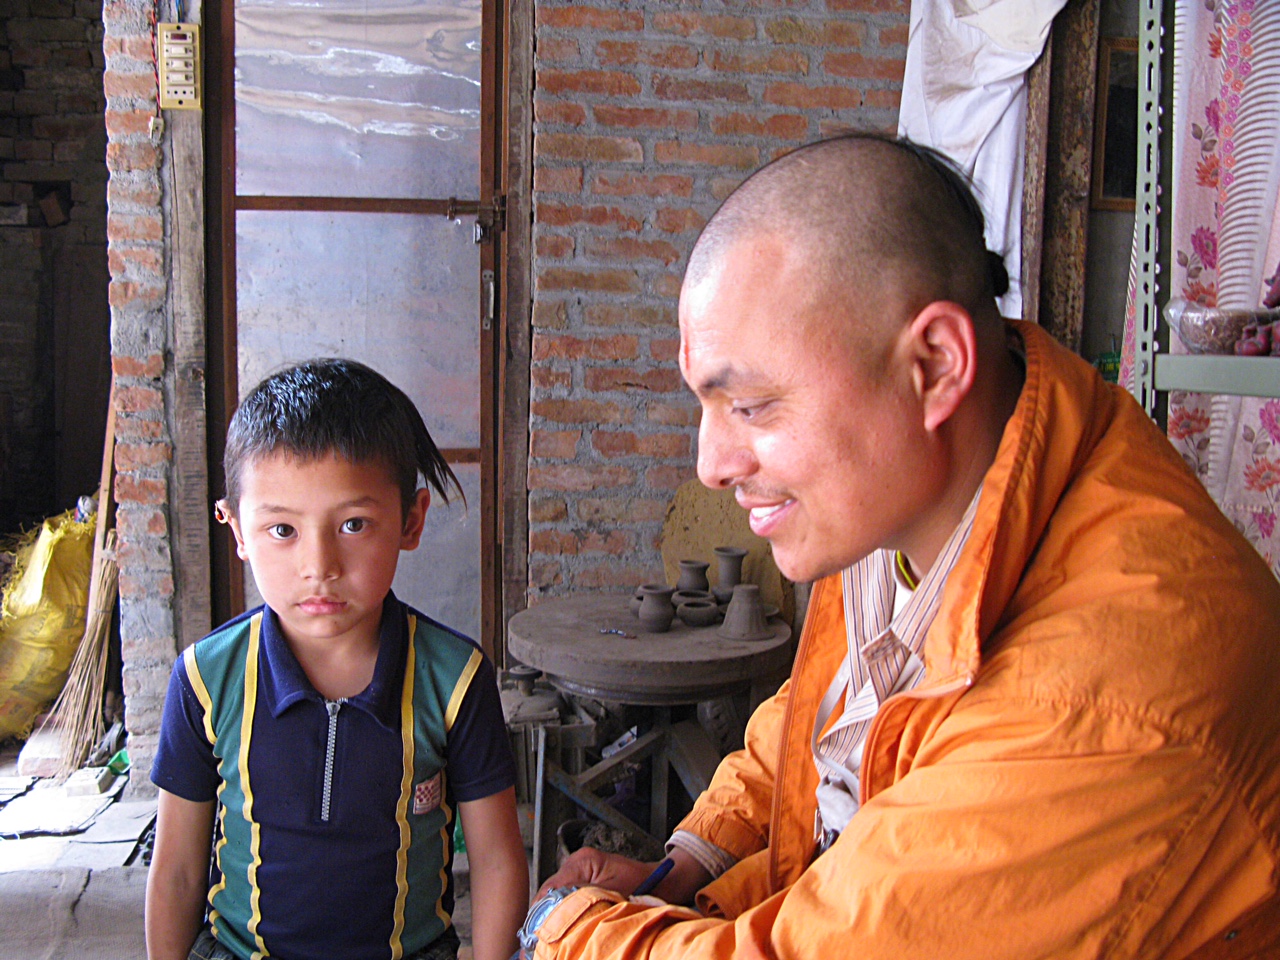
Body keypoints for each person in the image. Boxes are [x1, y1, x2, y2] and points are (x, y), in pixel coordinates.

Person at [519, 135, 1280, 958]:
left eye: (753, 406)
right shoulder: (922, 484)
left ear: (936, 364)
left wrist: (559, 928)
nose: (711, 466)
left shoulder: (1103, 705)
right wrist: (686, 863)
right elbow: (821, 717)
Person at [146, 359, 528, 960]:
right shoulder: (205, 679)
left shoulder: (454, 679)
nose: (319, 564)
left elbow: (498, 861)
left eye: (353, 523)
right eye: (282, 530)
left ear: (411, 519)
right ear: (237, 530)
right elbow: (177, 872)